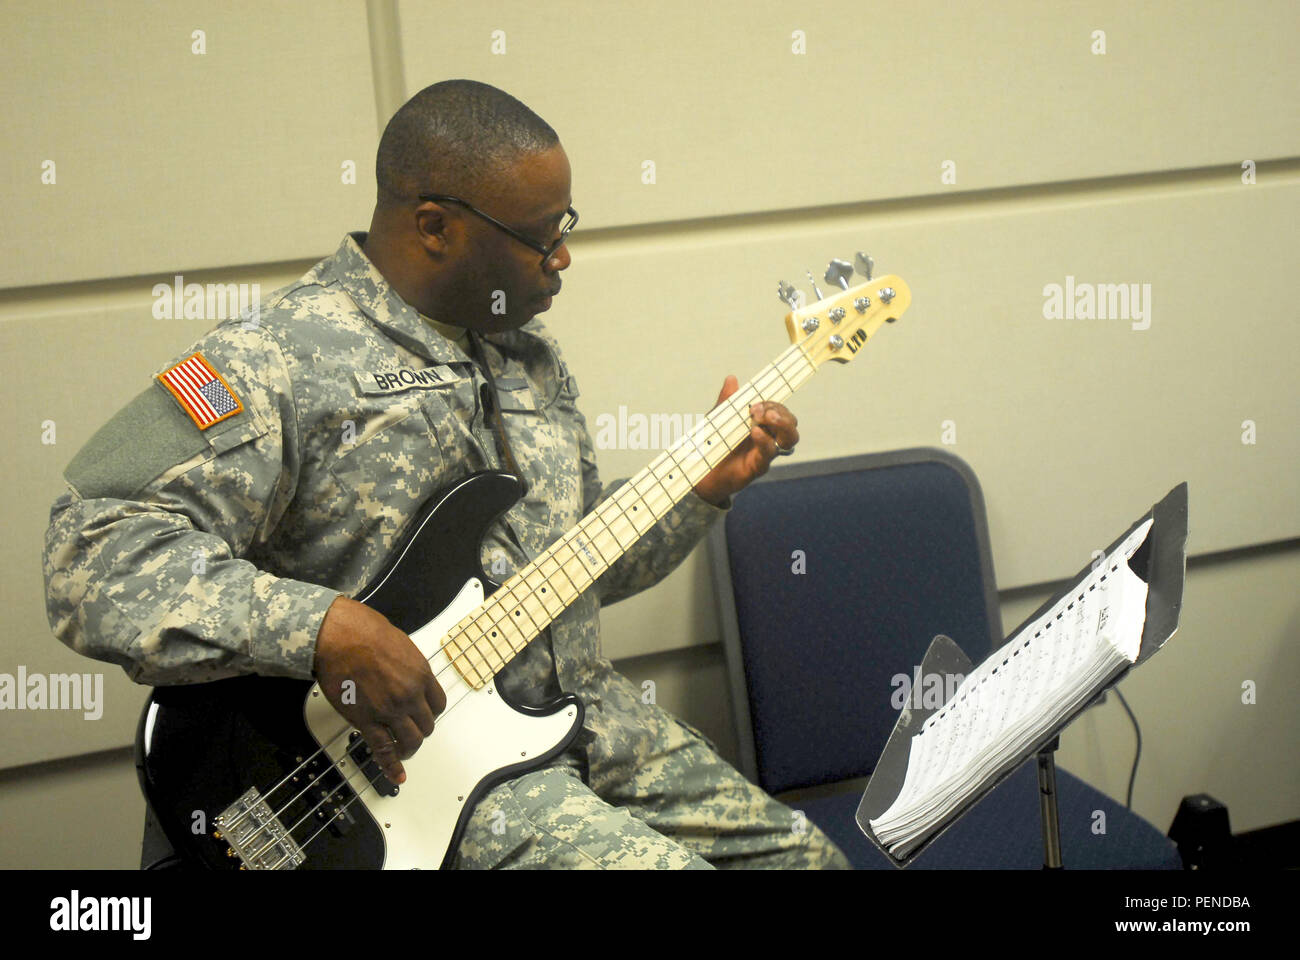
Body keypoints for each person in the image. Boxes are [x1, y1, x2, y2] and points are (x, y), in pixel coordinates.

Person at [43, 79, 850, 870]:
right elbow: (91, 551)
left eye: (564, 226)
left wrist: (706, 491)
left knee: (810, 858)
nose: (563, 257)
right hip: (412, 778)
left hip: (593, 725)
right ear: (434, 226)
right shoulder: (274, 358)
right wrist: (322, 628)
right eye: (541, 236)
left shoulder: (526, 358)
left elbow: (574, 575)